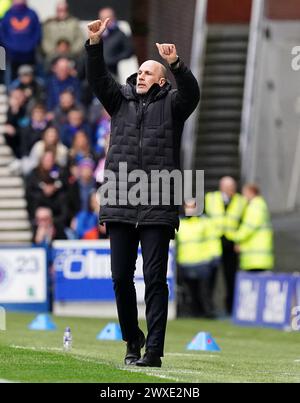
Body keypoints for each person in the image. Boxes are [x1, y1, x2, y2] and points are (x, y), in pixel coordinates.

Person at [86, 18, 200, 367]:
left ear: (162, 80)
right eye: (138, 73)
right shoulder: (118, 100)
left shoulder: (174, 105)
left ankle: (152, 351)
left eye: (148, 73)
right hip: (121, 199)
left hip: (157, 203)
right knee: (121, 278)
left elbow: (192, 93)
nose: (140, 76)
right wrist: (94, 43)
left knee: (154, 280)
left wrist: (177, 63)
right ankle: (132, 339)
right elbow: (97, 78)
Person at [205, 177, 247, 315]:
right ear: (221, 187)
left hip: (231, 244)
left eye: (233, 187)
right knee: (211, 276)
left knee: (231, 277)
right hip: (214, 243)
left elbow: (245, 221)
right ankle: (208, 308)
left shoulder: (241, 201)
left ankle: (230, 308)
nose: (231, 190)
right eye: (228, 187)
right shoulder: (210, 198)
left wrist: (239, 240)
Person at [176, 200, 221, 318]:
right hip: (185, 262)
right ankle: (193, 312)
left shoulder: (205, 221)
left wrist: (215, 258)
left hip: (203, 262)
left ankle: (208, 312)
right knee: (190, 292)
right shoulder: (179, 222)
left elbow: (213, 240)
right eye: (188, 206)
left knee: (204, 291)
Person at [226, 184, 274, 272]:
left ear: (251, 193)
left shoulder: (255, 207)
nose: (243, 196)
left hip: (256, 259)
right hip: (257, 258)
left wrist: (232, 236)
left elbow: (247, 228)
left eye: (244, 193)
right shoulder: (259, 205)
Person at [0, 0, 41, 83]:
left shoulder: (32, 14)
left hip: (29, 55)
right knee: (11, 81)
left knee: (30, 80)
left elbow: (38, 33)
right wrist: (10, 46)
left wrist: (30, 46)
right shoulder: (7, 14)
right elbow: (2, 34)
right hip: (12, 55)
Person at [97, 7, 134, 76]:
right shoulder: (97, 34)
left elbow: (129, 50)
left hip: (110, 70)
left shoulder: (120, 34)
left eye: (108, 18)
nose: (106, 21)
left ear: (114, 18)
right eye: (103, 19)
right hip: (94, 69)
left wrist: (114, 59)